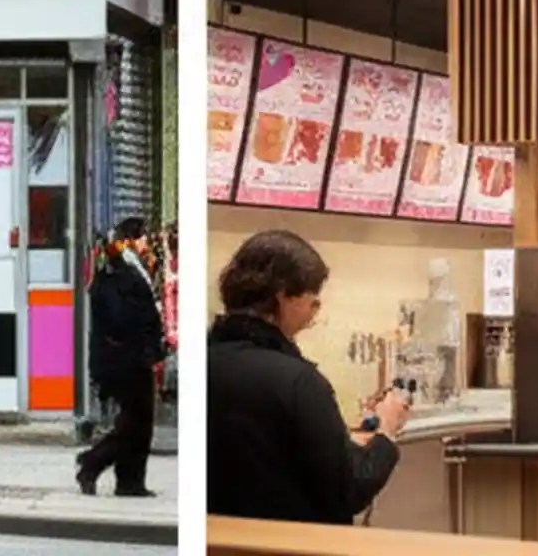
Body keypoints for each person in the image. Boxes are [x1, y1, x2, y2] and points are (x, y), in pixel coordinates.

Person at [208, 230, 408, 524]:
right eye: (312, 296)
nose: (317, 308)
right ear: (282, 296)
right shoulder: (298, 381)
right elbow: (348, 489)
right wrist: (386, 433)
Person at [76, 217, 165, 497]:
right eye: (143, 237)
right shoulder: (117, 272)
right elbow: (120, 318)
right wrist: (145, 342)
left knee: (138, 423)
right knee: (134, 423)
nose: (148, 243)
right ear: (129, 240)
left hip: (134, 357)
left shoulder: (134, 268)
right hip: (124, 359)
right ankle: (93, 462)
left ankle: (129, 481)